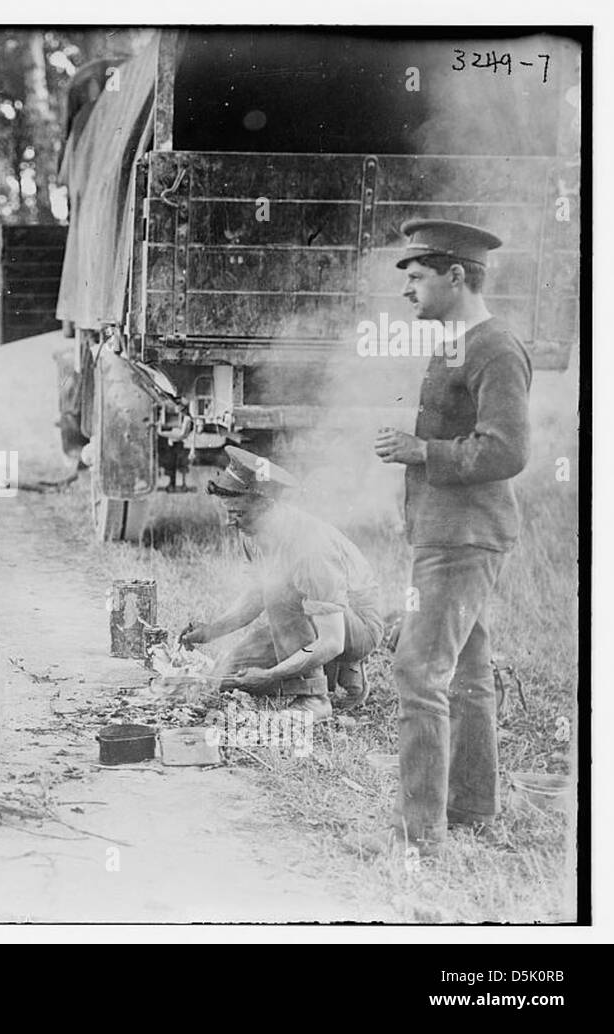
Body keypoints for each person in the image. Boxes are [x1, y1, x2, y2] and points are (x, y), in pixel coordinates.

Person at [369, 218, 531, 856]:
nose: (407, 291)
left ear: (456, 276)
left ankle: (421, 839)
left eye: (416, 277)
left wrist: (420, 451)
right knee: (466, 672)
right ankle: (470, 810)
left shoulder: (493, 347)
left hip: (464, 538)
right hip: (447, 531)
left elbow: (509, 449)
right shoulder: (456, 342)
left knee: (418, 671)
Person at [181, 446, 384, 720]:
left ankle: (313, 698)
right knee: (225, 674)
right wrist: (210, 632)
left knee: (280, 592)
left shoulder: (310, 548)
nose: (231, 523)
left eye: (239, 513)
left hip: (356, 626)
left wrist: (270, 675)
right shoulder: (253, 532)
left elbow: (332, 640)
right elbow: (255, 598)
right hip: (319, 620)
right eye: (229, 512)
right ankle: (334, 671)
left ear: (269, 508)